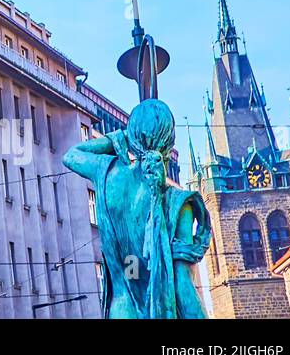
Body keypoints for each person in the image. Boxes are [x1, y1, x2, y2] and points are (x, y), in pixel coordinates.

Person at [63, 98, 210, 318]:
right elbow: (182, 284)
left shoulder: (107, 174)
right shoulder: (178, 203)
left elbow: (71, 155)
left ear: (132, 137)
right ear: (170, 143)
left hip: (120, 312)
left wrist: (117, 138)